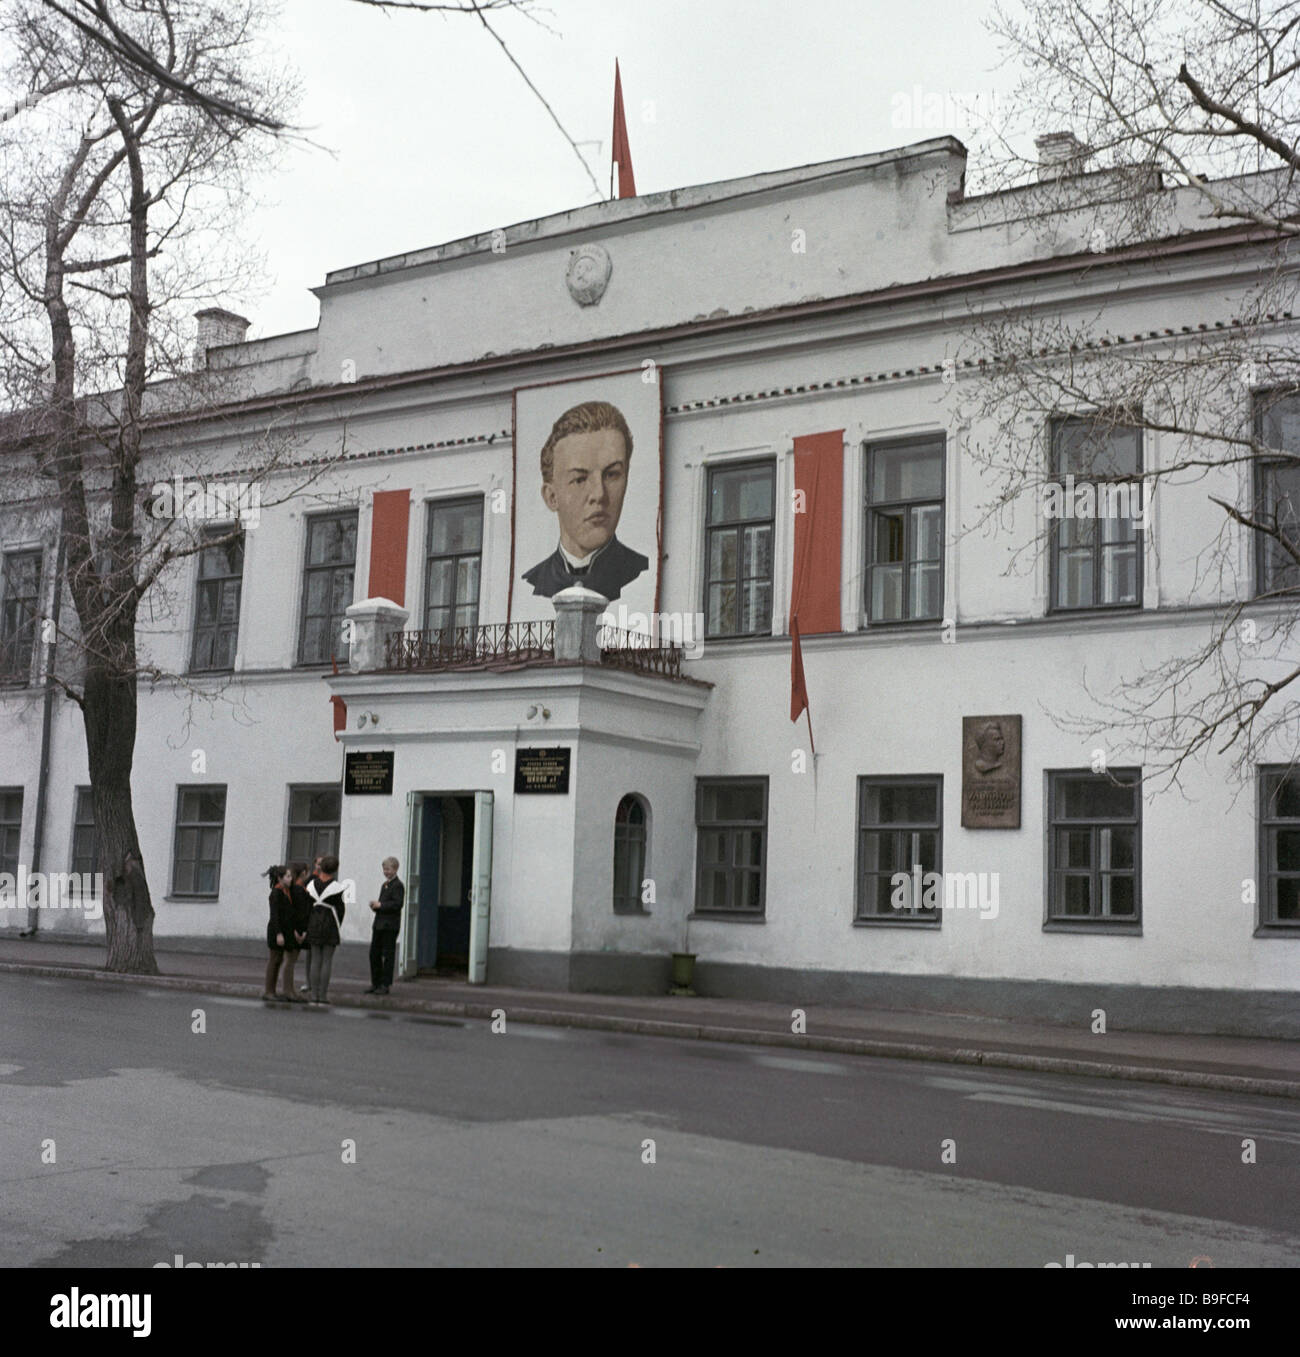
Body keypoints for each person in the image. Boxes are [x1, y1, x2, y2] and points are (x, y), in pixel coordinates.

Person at [522, 400, 649, 601]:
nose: (599, 495)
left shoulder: (642, 574)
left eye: (612, 475)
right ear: (551, 497)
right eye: (580, 479)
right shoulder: (532, 583)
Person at [305, 854, 346, 1006]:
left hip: (314, 921)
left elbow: (307, 906)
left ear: (321, 867)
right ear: (335, 870)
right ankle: (323, 995)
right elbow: (341, 910)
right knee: (327, 960)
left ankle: (313, 994)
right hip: (330, 922)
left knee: (315, 959)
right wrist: (337, 925)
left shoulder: (311, 884)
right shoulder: (337, 887)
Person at [366, 856, 404, 995]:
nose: (385, 872)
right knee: (374, 954)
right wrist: (375, 907)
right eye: (384, 869)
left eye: (388, 869)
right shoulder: (385, 885)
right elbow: (384, 904)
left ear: (395, 869)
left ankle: (385, 984)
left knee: (388, 955)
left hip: (390, 926)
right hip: (379, 924)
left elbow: (397, 904)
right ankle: (375, 982)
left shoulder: (398, 885)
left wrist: (381, 905)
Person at [279, 861, 311, 1001]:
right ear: (303, 873)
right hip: (295, 931)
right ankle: (288, 991)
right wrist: (300, 931)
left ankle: (289, 990)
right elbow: (300, 912)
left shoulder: (296, 888)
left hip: (293, 929)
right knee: (290, 961)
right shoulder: (298, 889)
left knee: (290, 960)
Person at [263, 865, 294, 1002]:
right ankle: (269, 991)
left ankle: (273, 990)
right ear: (280, 878)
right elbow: (274, 915)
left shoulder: (285, 891)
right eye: (287, 876)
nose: (290, 878)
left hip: (282, 931)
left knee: (278, 959)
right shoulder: (276, 893)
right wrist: (279, 933)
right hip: (276, 931)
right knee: (274, 960)